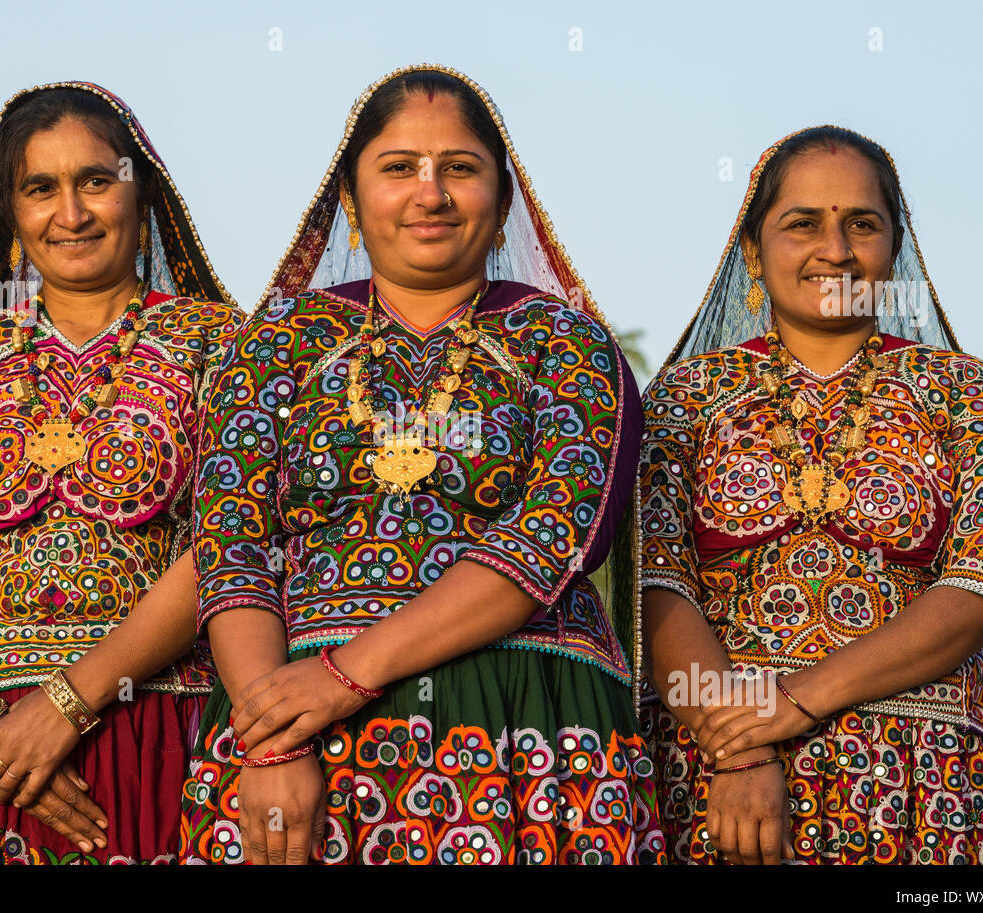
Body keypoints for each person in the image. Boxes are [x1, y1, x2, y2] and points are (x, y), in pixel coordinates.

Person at [180, 64, 665, 865]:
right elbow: (231, 543)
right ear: (349, 196)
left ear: (504, 199)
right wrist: (265, 741)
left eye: (460, 169)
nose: (430, 194)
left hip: (528, 718)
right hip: (294, 736)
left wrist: (345, 674)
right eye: (399, 167)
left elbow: (555, 531)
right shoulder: (275, 343)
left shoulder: (567, 343)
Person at [0, 82, 243, 864]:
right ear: (13, 211)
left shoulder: (222, 344)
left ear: (143, 194)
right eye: (41, 189)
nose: (71, 213)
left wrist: (70, 700)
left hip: (162, 738)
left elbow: (234, 540)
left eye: (96, 181)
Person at [635, 126, 983, 864]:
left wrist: (792, 701)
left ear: (895, 246)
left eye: (862, 222)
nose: (836, 248)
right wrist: (742, 753)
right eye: (802, 222)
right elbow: (656, 582)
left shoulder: (967, 393)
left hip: (927, 782)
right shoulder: (684, 399)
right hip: (722, 788)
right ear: (753, 252)